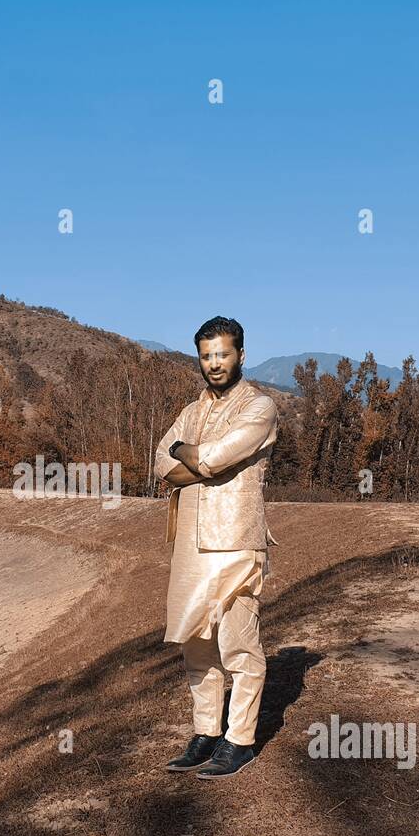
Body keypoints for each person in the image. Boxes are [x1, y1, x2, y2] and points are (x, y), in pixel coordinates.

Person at [153, 316, 278, 779]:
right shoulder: (191, 411)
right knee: (196, 644)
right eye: (206, 356)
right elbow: (160, 462)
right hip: (190, 544)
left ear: (240, 355)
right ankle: (206, 733)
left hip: (237, 541)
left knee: (238, 643)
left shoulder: (260, 408)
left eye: (223, 354)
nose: (215, 364)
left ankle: (239, 740)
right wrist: (196, 457)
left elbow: (210, 458)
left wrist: (192, 454)